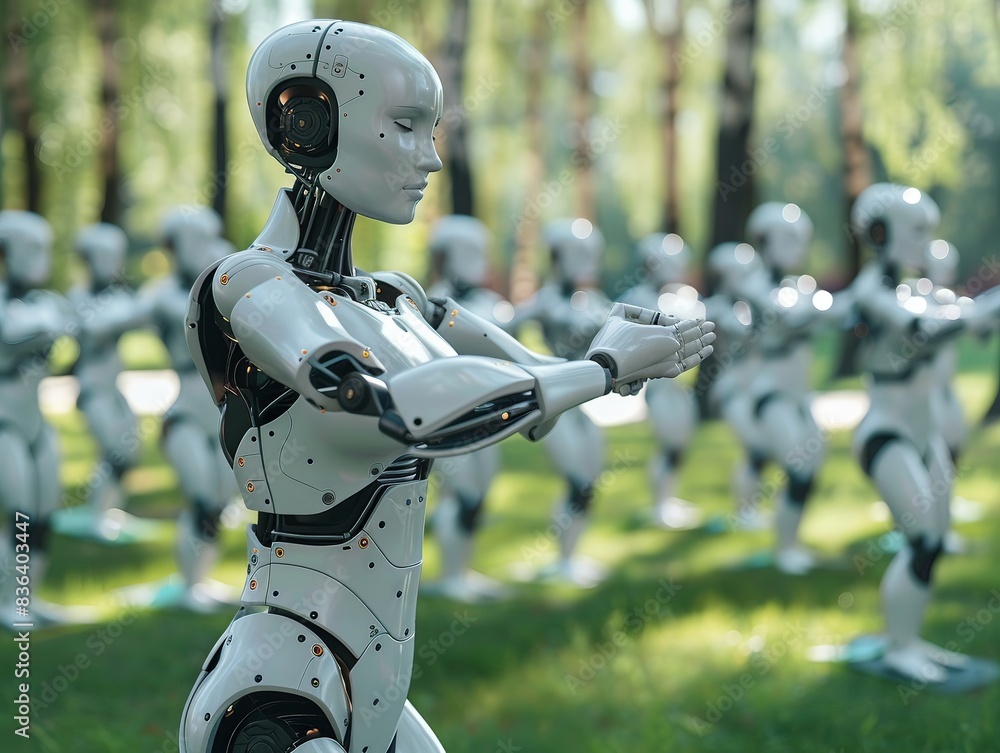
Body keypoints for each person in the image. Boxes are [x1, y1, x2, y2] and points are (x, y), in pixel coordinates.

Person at [178, 20, 714, 753]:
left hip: (370, 675)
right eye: (404, 125)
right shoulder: (251, 285)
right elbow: (395, 411)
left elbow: (527, 392)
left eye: (430, 130)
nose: (429, 157)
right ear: (306, 124)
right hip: (280, 686)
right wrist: (602, 369)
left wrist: (616, 358)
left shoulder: (398, 300)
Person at [849, 183, 1000, 683]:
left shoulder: (919, 289)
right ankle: (898, 647)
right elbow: (922, 327)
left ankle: (909, 641)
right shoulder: (872, 290)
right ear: (880, 233)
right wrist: (981, 309)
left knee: (932, 543)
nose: (924, 241)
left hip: (926, 436)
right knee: (920, 541)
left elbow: (963, 321)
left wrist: (981, 311)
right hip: (886, 436)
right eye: (915, 231)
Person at [139, 206, 238, 612]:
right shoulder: (163, 296)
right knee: (200, 496)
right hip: (187, 413)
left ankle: (199, 579)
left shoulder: (228, 291)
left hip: (226, 412)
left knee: (219, 501)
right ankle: (188, 584)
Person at [505, 218, 613, 587]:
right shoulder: (546, 300)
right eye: (577, 254)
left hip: (584, 404)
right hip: (557, 401)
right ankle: (562, 560)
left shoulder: (594, 302)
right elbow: (503, 331)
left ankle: (570, 557)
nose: (586, 262)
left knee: (589, 483)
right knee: (576, 480)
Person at [422, 214, 511, 602]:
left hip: (487, 415)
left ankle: (461, 570)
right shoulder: (433, 303)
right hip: (449, 416)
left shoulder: (487, 304)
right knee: (462, 496)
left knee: (478, 497)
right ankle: (451, 576)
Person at [0, 211, 79, 627]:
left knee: (44, 514)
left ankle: (29, 598)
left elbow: (75, 325)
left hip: (36, 422)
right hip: (5, 422)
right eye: (28, 249)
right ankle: (8, 602)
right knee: (20, 512)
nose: (38, 258)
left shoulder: (46, 302)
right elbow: (14, 334)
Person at [54, 223, 152, 544]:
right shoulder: (79, 297)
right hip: (92, 389)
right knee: (113, 449)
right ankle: (98, 515)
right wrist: (121, 314)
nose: (112, 264)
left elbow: (142, 314)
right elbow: (92, 328)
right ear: (88, 259)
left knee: (130, 450)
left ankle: (110, 510)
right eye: (104, 257)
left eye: (116, 257)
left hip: (114, 388)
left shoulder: (117, 298)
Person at [619, 233, 703, 529]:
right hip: (658, 386)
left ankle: (668, 498)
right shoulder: (638, 298)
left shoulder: (683, 297)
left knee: (679, 445)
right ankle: (659, 505)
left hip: (679, 385)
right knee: (668, 443)